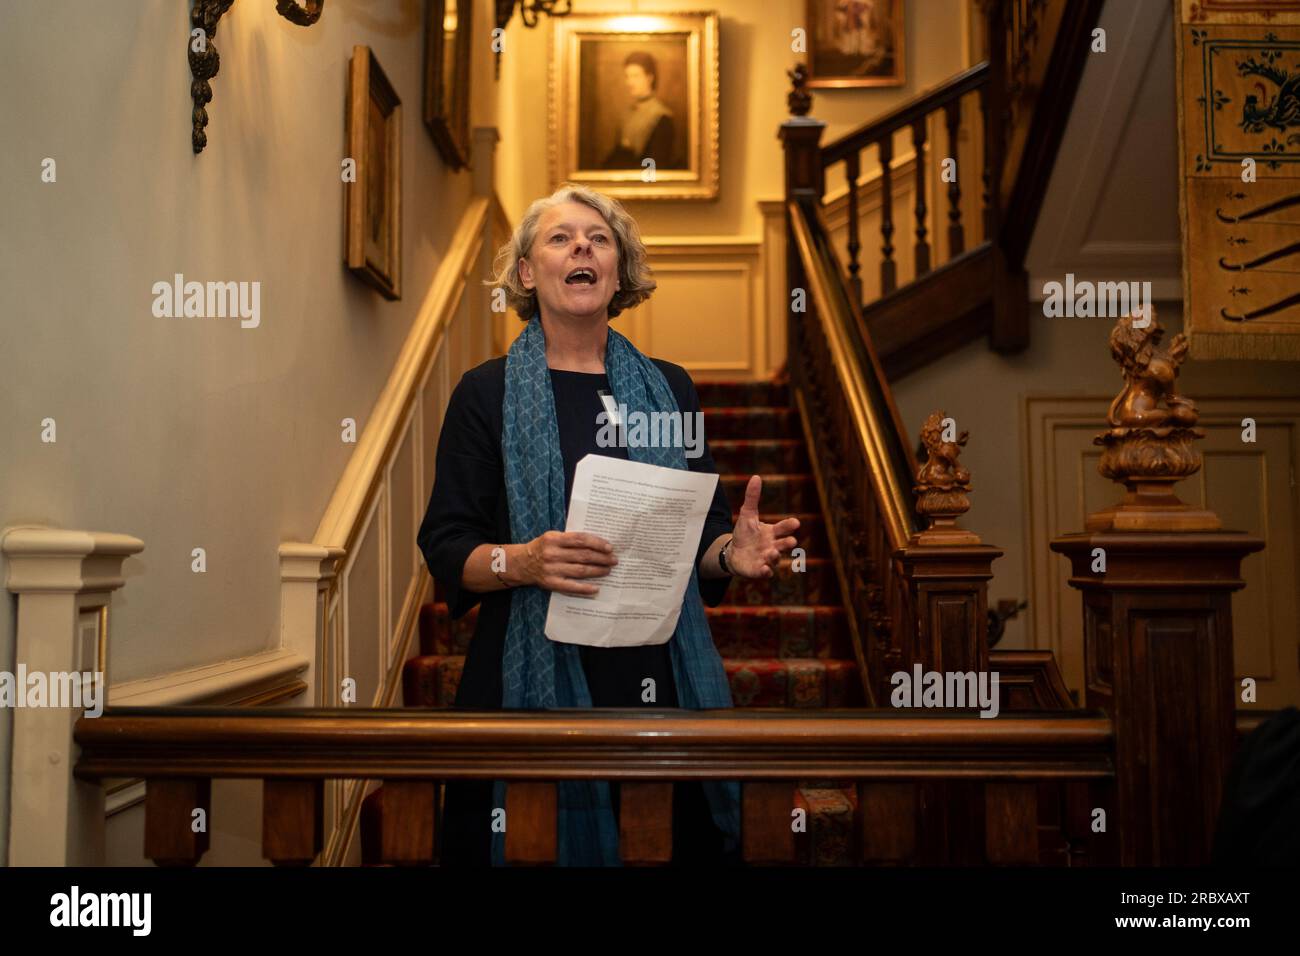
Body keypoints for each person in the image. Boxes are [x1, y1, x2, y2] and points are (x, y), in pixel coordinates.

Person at [417, 183, 801, 866]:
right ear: (529, 274)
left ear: (618, 270)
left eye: (599, 238)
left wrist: (727, 554)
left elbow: (699, 532)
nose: (583, 248)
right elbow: (448, 546)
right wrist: (523, 561)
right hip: (525, 667)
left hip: (655, 670)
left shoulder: (670, 388)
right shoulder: (485, 393)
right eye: (561, 238)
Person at [601, 52, 679, 169]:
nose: (629, 82)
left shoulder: (662, 116)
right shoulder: (627, 114)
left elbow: (654, 166)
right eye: (627, 76)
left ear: (649, 78)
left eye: (636, 76)